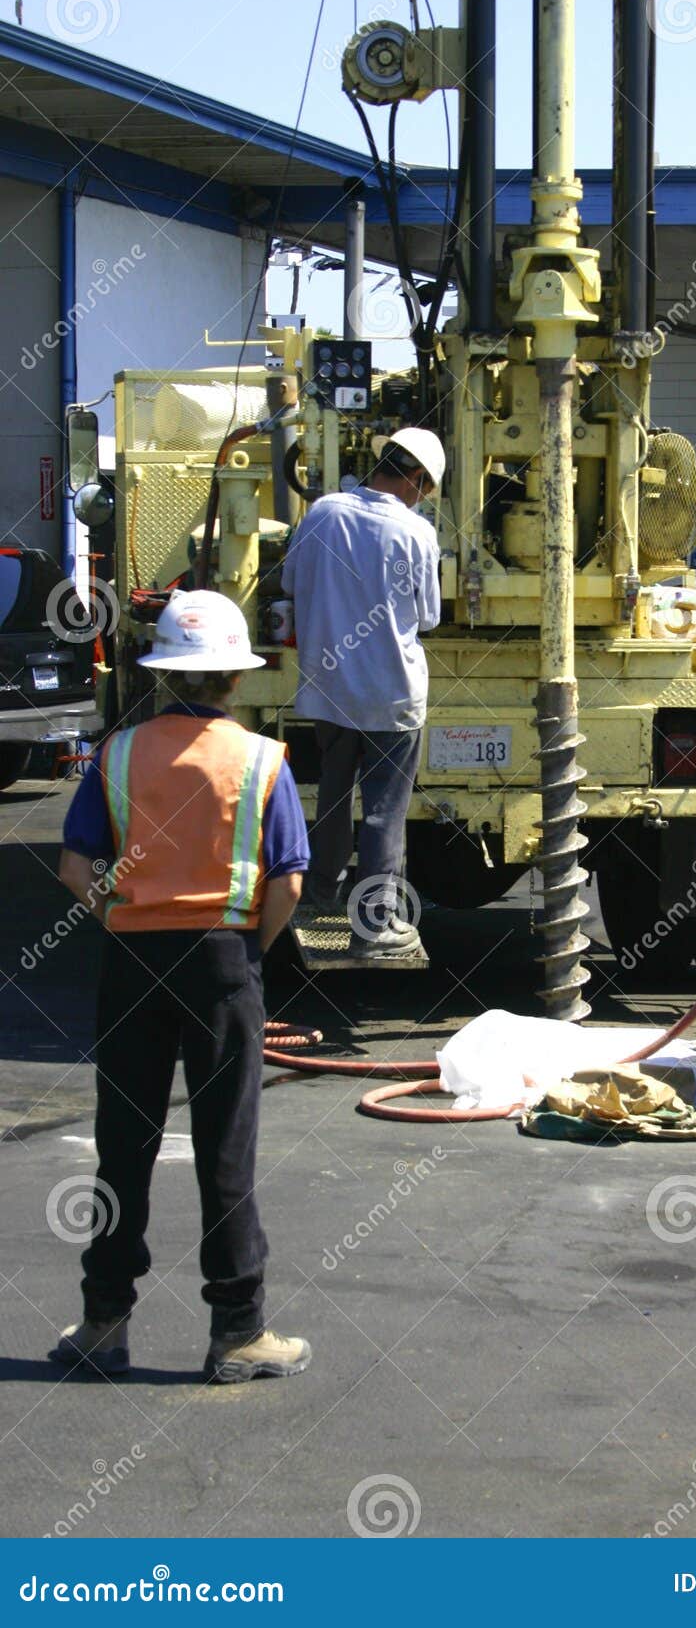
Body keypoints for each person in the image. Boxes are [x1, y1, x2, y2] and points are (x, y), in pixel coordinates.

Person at [54, 590, 312, 1384]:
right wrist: (246, 953)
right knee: (223, 1147)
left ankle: (104, 1323)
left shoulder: (118, 754)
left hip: (133, 960)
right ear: (236, 677)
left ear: (165, 674)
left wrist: (125, 917)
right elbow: (289, 885)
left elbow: (73, 868)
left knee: (121, 1147)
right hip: (222, 961)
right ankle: (236, 1333)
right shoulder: (263, 760)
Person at [281, 426, 445, 957]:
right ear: (417, 477)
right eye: (425, 488)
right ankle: (376, 925)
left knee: (333, 796)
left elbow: (289, 583)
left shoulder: (323, 512)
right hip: (391, 694)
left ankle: (319, 891)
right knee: (383, 811)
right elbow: (429, 617)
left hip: (328, 688)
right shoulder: (416, 533)